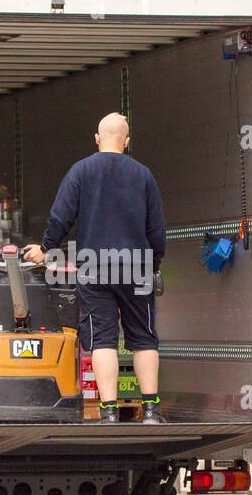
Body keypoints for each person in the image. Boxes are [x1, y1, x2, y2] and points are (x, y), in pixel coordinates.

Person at [22, 113, 167, 424]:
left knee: (102, 339)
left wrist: (46, 248)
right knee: (144, 339)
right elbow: (157, 229)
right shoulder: (144, 175)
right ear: (126, 142)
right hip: (136, 267)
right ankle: (151, 410)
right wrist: (153, 264)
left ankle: (110, 411)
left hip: (95, 266)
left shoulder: (81, 171)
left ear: (97, 138)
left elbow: (61, 216)